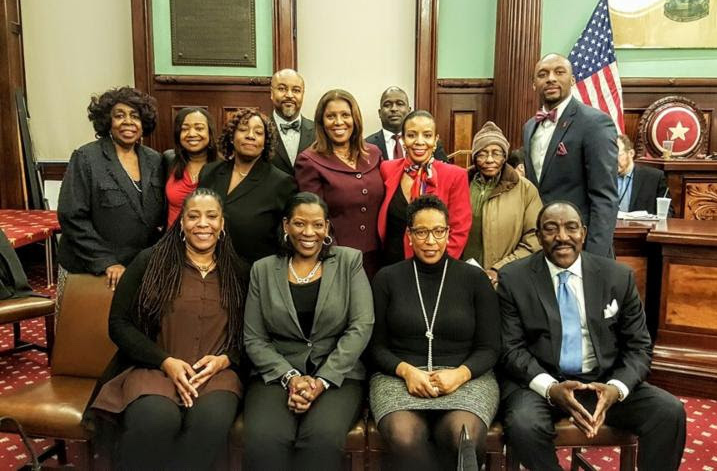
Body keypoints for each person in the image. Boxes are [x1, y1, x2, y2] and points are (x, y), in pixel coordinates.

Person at [498, 201, 686, 471]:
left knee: (669, 412)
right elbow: (511, 348)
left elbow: (639, 347)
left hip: (602, 383)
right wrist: (550, 388)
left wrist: (616, 389)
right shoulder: (514, 278)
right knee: (523, 425)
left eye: (571, 228)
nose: (562, 237)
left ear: (583, 233)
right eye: (551, 229)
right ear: (538, 236)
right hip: (541, 384)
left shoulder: (617, 277)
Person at [90, 188, 249, 470]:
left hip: (216, 376)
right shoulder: (149, 262)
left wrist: (226, 359)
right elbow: (118, 324)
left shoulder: (239, 271)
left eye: (211, 217)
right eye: (194, 216)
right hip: (154, 368)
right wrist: (165, 361)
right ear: (181, 222)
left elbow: (255, 333)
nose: (203, 224)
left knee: (209, 425)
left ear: (222, 224)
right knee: (155, 421)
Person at [243, 192, 374, 470]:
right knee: (265, 439)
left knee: (321, 439)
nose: (309, 232)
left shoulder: (349, 262)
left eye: (317, 224)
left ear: (327, 227)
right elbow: (254, 338)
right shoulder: (262, 270)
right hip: (276, 373)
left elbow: (361, 325)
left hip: (338, 375)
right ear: (286, 225)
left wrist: (322, 380)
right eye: (300, 224)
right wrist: (291, 378)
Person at [369, 195, 501, 471]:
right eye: (422, 232)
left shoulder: (474, 279)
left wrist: (460, 374)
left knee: (462, 435)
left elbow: (490, 347)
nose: (431, 241)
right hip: (400, 376)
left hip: (465, 376)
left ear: (448, 232)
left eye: (439, 231)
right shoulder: (387, 278)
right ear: (409, 235)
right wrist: (406, 371)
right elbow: (376, 347)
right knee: (405, 436)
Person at [58, 86, 164, 294]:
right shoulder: (86, 158)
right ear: (108, 121)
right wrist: (106, 262)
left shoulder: (154, 159)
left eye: (135, 116)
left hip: (135, 267)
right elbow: (72, 217)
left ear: (144, 123)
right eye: (119, 115)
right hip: (89, 268)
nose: (128, 122)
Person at [521, 53, 618, 257]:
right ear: (534, 84)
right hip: (543, 245)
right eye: (543, 74)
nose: (551, 79)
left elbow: (604, 197)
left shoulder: (594, 123)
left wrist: (594, 258)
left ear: (572, 80)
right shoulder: (529, 127)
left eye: (559, 72)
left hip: (580, 245)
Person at [295, 89, 385, 278]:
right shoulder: (309, 161)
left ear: (355, 119)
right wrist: (335, 260)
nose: (338, 122)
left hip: (380, 259)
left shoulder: (374, 153)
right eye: (331, 116)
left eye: (345, 115)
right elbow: (315, 218)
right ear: (321, 121)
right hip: (338, 260)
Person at [198, 108, 297, 264]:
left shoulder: (281, 183)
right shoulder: (209, 172)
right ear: (232, 137)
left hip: (254, 273)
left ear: (266, 142)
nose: (250, 136)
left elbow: (286, 240)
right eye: (243, 130)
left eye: (258, 133)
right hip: (209, 267)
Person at [377, 110, 471, 265]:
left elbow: (459, 231)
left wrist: (440, 268)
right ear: (403, 139)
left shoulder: (455, 175)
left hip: (435, 266)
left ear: (435, 140)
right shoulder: (387, 169)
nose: (419, 141)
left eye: (427, 135)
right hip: (391, 264)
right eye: (412, 135)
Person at [463, 122, 541, 285]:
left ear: (505, 157)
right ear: (475, 157)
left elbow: (534, 239)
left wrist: (498, 269)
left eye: (496, 153)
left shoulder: (525, 190)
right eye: (482, 154)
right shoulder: (461, 184)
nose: (489, 159)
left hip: (506, 279)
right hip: (463, 276)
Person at [164, 107, 218, 226]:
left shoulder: (224, 166)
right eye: (184, 129)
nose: (192, 134)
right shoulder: (168, 160)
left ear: (210, 132)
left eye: (199, 128)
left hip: (210, 240)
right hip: (173, 241)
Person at [365, 86, 447, 162]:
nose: (394, 109)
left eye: (400, 104)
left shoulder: (430, 142)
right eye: (387, 105)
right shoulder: (367, 144)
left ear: (409, 111)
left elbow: (445, 173)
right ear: (380, 113)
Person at [270, 68, 315, 176]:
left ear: (303, 94)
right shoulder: (260, 131)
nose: (289, 95)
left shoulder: (319, 131)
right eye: (282, 89)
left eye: (296, 90)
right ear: (271, 93)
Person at [617, 134, 669, 214]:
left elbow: (667, 213)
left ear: (631, 153)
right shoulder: (601, 178)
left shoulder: (654, 178)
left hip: (641, 226)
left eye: (617, 155)